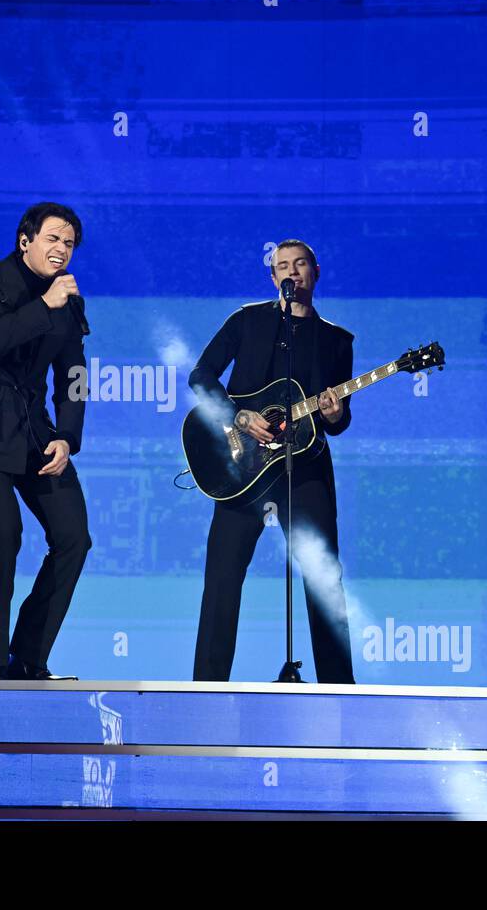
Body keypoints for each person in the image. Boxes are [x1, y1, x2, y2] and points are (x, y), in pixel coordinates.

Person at [188, 239, 356, 683]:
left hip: (306, 471)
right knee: (222, 580)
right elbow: (201, 376)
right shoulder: (248, 321)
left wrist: (336, 413)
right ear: (273, 277)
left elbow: (338, 422)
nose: (291, 272)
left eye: (300, 264)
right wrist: (237, 415)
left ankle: (340, 690)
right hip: (242, 472)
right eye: (282, 266)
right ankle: (206, 689)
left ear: (315, 272)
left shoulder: (338, 341)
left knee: (324, 580)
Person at [0, 203, 92, 681]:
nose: (61, 249)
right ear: (25, 240)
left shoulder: (69, 299)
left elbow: (73, 374)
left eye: (69, 243)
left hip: (36, 431)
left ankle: (28, 655)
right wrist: (42, 307)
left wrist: (68, 436)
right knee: (4, 532)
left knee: (73, 537)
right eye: (52, 238)